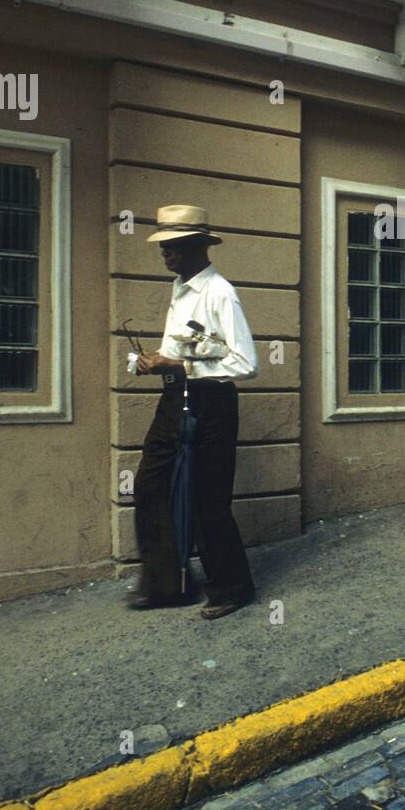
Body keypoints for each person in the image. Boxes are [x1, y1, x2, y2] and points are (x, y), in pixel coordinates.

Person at [128, 204, 258, 619]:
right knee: (150, 485)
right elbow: (178, 351)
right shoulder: (180, 288)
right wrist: (152, 361)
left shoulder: (219, 292)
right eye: (164, 246)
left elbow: (246, 363)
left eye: (176, 246)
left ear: (201, 246)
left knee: (208, 497)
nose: (167, 254)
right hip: (175, 397)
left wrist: (180, 365)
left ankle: (232, 588)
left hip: (212, 403)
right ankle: (166, 585)